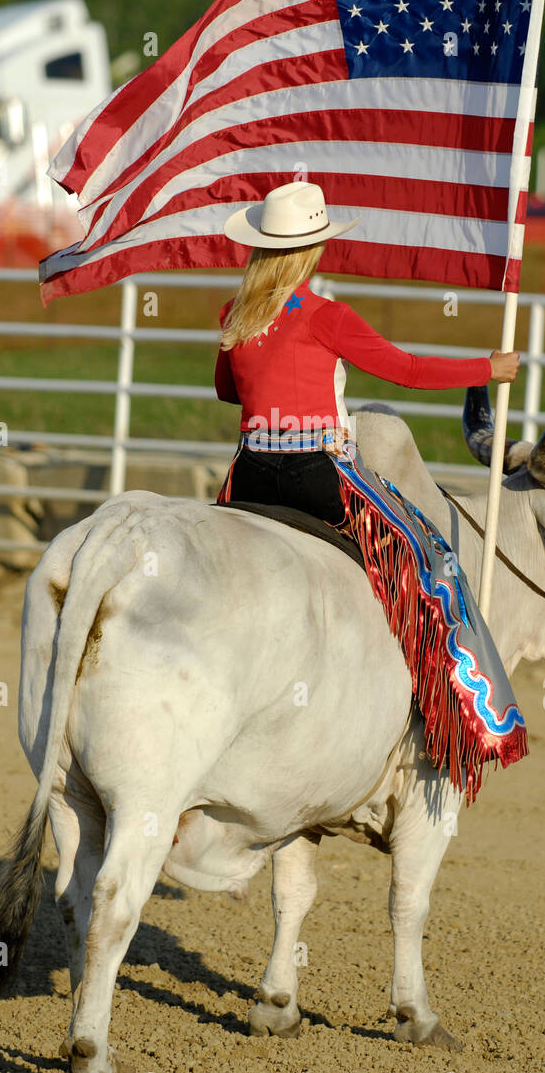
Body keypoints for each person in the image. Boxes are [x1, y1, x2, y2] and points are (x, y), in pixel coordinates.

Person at [214, 182, 526, 802]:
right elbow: (405, 370)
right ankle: (464, 725)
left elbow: (228, 390)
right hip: (320, 475)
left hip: (248, 472)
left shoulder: (235, 313)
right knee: (431, 562)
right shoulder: (327, 316)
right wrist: (485, 370)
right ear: (312, 251)